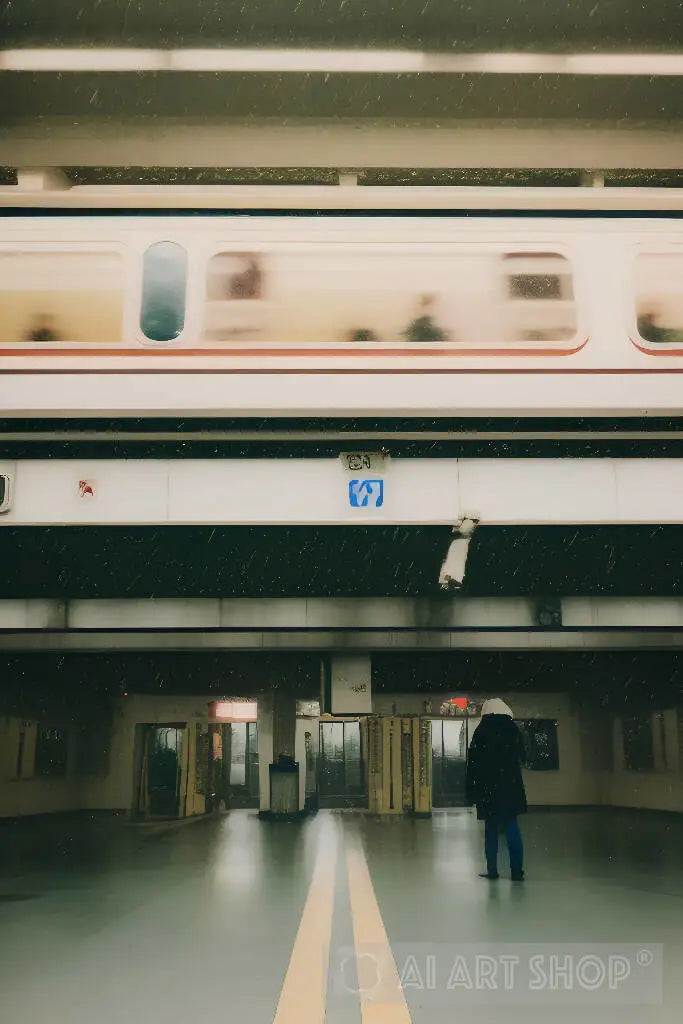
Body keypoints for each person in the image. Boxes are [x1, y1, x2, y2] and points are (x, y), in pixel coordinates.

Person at [465, 698, 527, 881]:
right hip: (510, 788)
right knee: (512, 828)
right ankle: (517, 872)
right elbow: (522, 757)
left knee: (490, 829)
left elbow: (473, 765)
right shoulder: (513, 730)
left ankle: (492, 871)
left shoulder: (481, 731)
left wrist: (471, 792)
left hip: (488, 790)